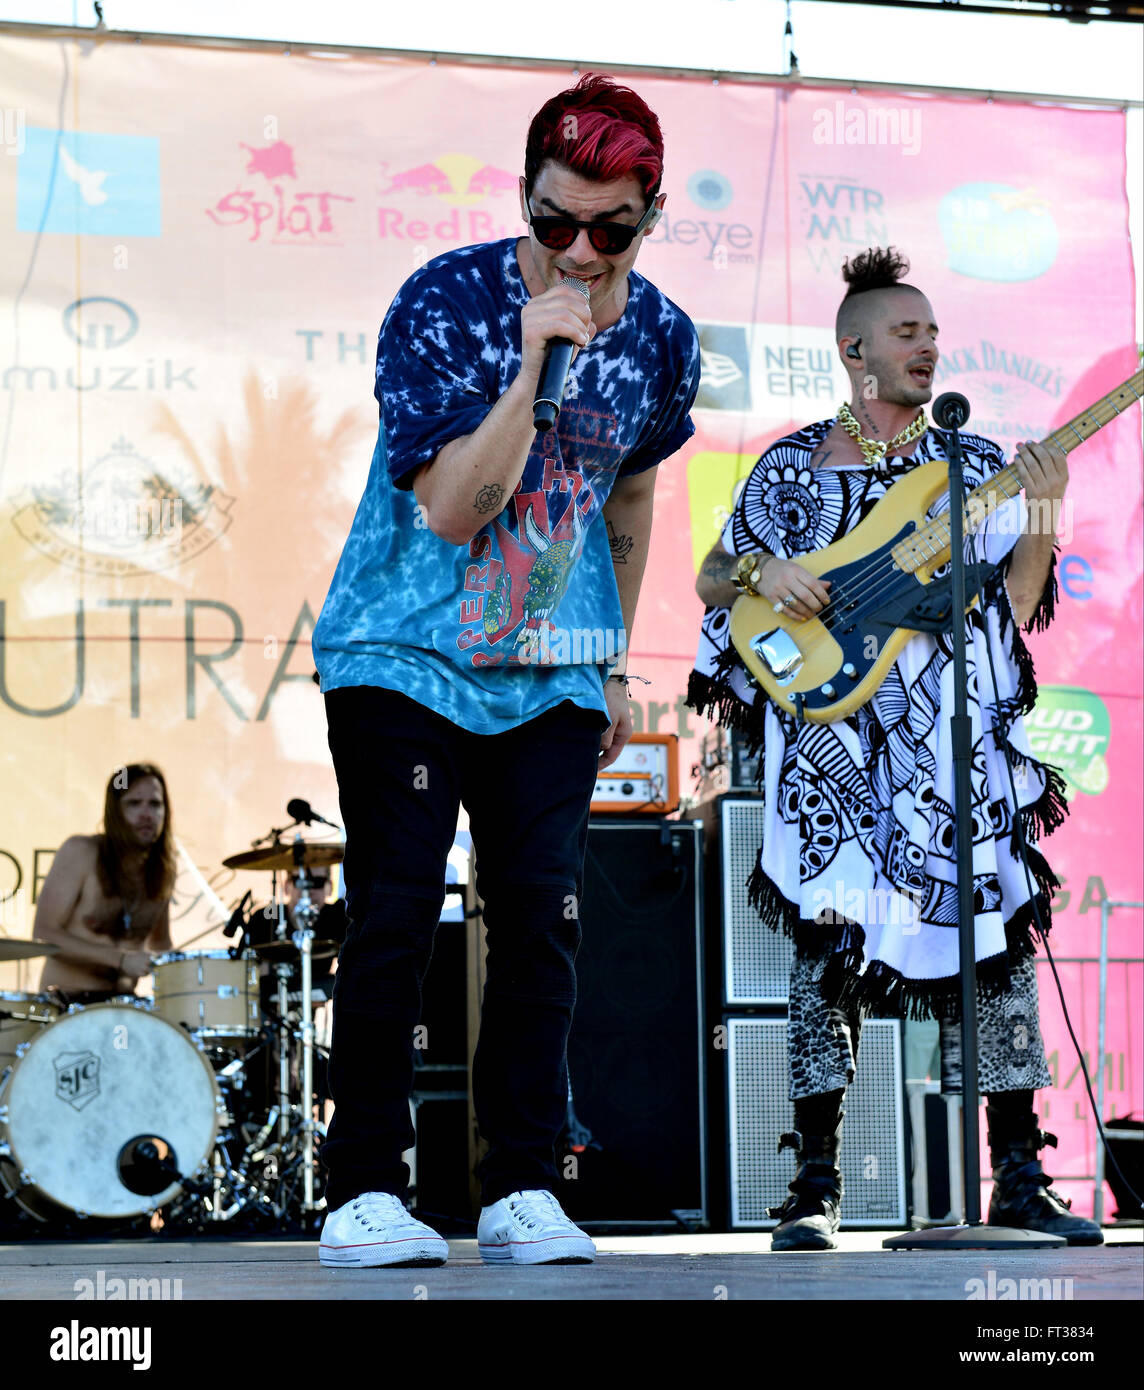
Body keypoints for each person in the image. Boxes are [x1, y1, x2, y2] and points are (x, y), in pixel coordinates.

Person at [311, 73, 701, 1268]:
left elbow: (629, 493)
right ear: (524, 198)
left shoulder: (667, 339)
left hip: (549, 667)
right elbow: (449, 507)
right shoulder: (444, 302)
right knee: (395, 915)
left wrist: (611, 666)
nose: (577, 249)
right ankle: (364, 1191)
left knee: (542, 922)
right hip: (402, 650)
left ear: (650, 213)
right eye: (552, 220)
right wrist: (532, 373)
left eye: (608, 227)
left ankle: (522, 1187)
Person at [689, 247, 1100, 1249]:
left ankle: (1015, 1174)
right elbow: (711, 573)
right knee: (824, 956)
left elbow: (1006, 610)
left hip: (949, 749)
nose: (926, 345)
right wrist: (764, 570)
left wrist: (1039, 515)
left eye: (931, 331)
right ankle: (814, 1184)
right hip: (832, 744)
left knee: (993, 947)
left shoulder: (971, 464)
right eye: (905, 331)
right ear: (854, 351)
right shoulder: (790, 465)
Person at [34, 763, 175, 1005]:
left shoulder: (163, 870)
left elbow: (161, 945)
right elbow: (44, 934)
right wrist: (120, 959)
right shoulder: (81, 852)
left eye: (155, 804)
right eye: (134, 803)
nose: (146, 814)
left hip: (124, 1005)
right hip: (66, 1004)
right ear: (115, 812)